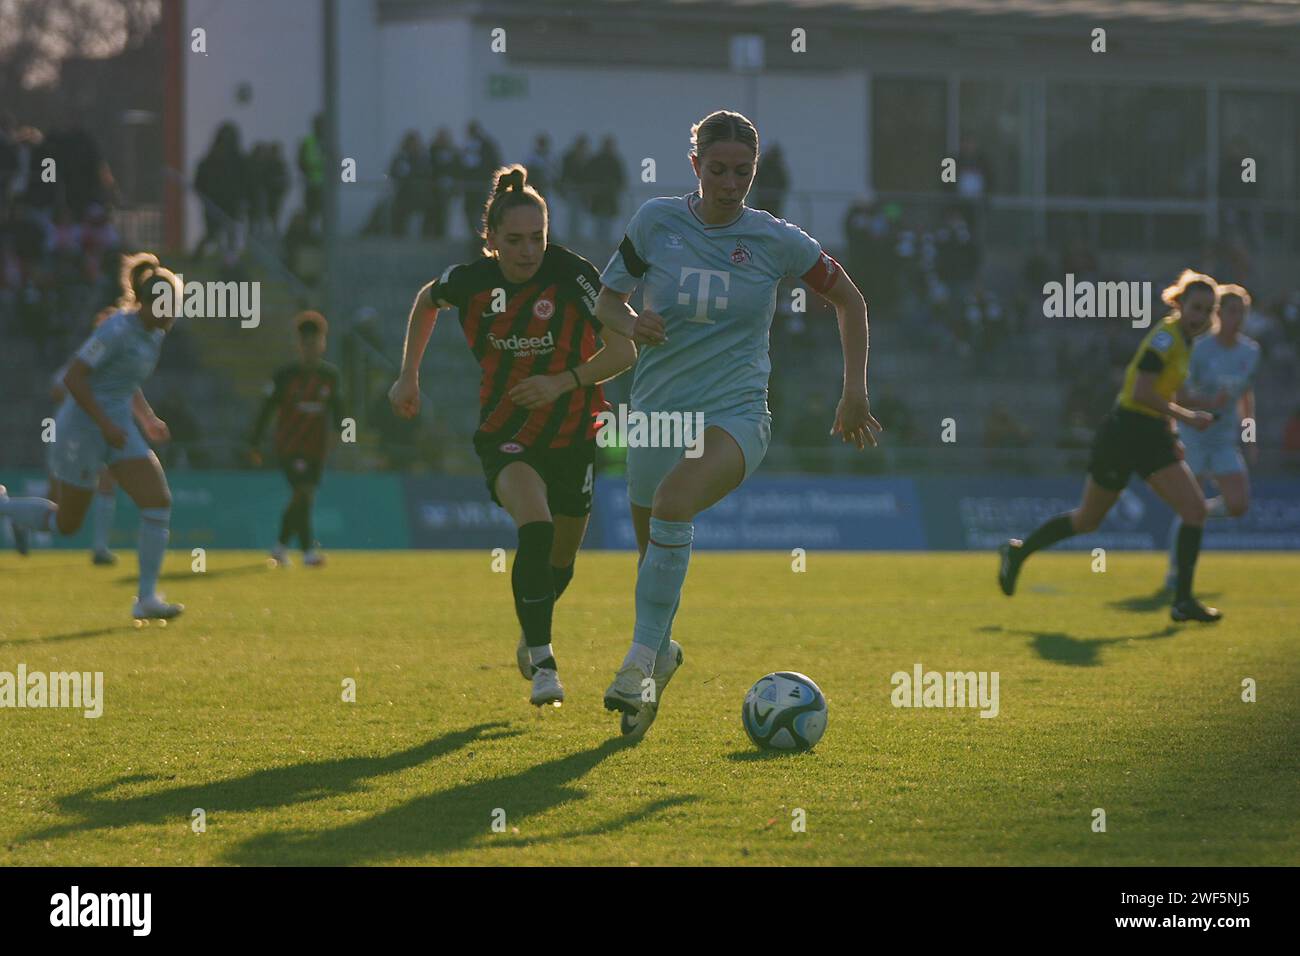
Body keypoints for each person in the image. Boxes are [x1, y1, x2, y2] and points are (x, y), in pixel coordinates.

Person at [594, 109, 880, 738]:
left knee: (672, 506)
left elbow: (849, 299)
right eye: (718, 170)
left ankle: (639, 663)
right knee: (651, 562)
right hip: (656, 417)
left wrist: (853, 388)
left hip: (737, 413)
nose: (730, 184)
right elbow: (606, 299)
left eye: (743, 173)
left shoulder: (778, 240)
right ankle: (660, 655)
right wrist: (629, 323)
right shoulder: (655, 222)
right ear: (695, 165)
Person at [388, 164, 637, 708]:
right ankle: (545, 663)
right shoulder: (471, 281)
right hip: (507, 432)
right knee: (537, 529)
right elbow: (426, 302)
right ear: (492, 241)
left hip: (575, 430)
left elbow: (623, 351)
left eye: (538, 239)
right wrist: (409, 374)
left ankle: (531, 628)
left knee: (562, 561)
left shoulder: (573, 275)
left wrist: (561, 382)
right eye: (515, 240)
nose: (528, 251)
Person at [999, 270, 1223, 623]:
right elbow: (1140, 393)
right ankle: (1019, 552)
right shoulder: (1165, 339)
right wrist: (1188, 417)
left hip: (1152, 434)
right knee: (1087, 520)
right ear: (1179, 304)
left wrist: (1175, 433)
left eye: (1208, 310)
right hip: (1124, 432)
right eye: (1195, 307)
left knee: (1195, 509)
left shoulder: (1185, 341)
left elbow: (1163, 394)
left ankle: (1182, 601)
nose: (1200, 316)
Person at [0, 253, 185, 621]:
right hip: (81, 429)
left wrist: (146, 420)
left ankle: (146, 598)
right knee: (66, 525)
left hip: (116, 427)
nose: (171, 314)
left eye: (175, 307)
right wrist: (105, 424)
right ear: (145, 303)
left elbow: (125, 381)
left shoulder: (155, 334)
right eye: (165, 306)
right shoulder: (116, 330)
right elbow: (74, 378)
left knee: (157, 500)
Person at [1164, 284, 1260, 589]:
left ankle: (1199, 512)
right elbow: (1180, 396)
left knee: (1238, 504)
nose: (1238, 318)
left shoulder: (1250, 351)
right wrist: (1207, 404)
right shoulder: (1199, 347)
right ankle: (1176, 570)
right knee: (1187, 504)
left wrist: (1250, 434)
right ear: (1219, 314)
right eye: (1232, 311)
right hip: (1194, 434)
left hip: (1223, 439)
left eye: (1242, 312)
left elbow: (1245, 395)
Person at [248, 311, 345, 568]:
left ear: (322, 343)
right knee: (303, 492)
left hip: (316, 448)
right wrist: (255, 443)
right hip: (289, 446)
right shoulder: (284, 376)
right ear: (299, 345)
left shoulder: (330, 376)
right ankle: (306, 552)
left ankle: (280, 548)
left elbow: (341, 413)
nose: (311, 349)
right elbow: (266, 410)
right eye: (306, 344)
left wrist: (345, 437)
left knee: (305, 497)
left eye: (316, 343)